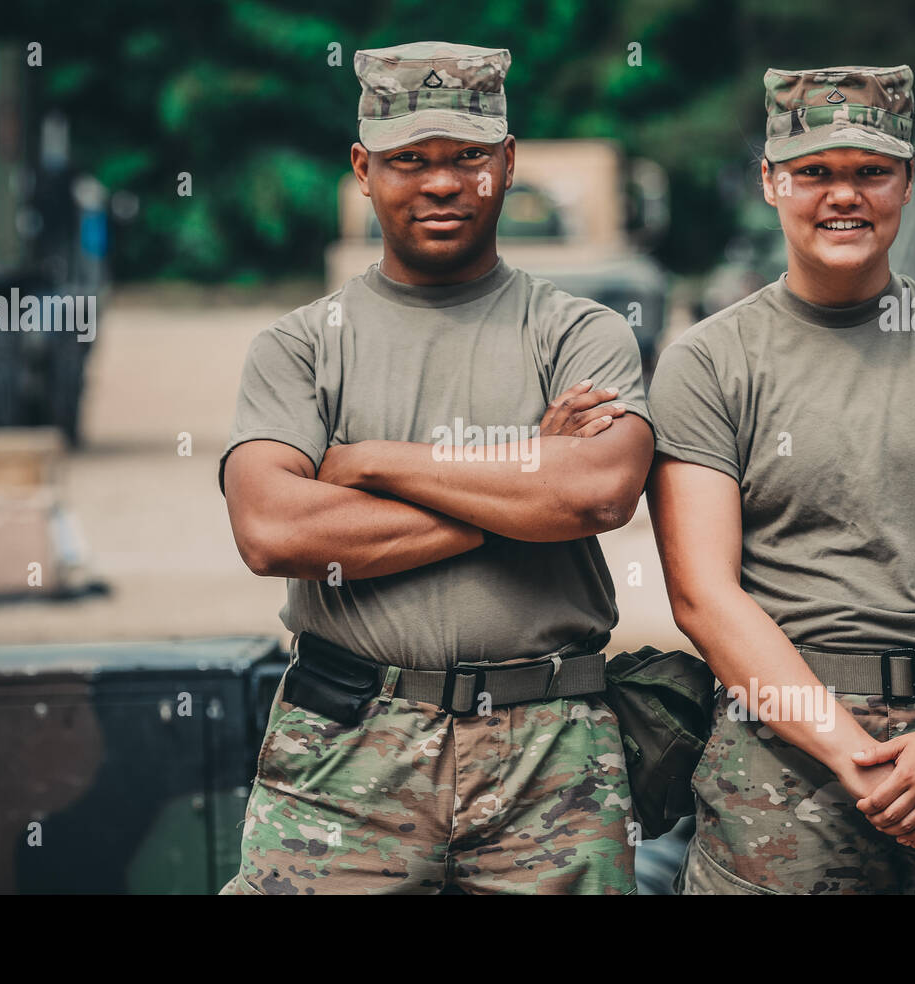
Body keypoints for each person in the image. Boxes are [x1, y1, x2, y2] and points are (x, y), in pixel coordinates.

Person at [217, 41, 654, 895]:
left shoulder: (578, 331)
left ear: (509, 162)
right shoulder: (301, 347)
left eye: (468, 157)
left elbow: (599, 491)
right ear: (363, 169)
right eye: (409, 160)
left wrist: (364, 463)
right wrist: (525, 480)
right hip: (343, 752)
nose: (443, 183)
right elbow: (273, 530)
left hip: (550, 752)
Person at [647, 65, 915, 894]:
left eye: (869, 171)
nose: (842, 196)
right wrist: (855, 758)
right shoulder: (708, 362)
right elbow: (703, 594)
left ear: (909, 181)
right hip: (786, 743)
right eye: (815, 171)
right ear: (772, 181)